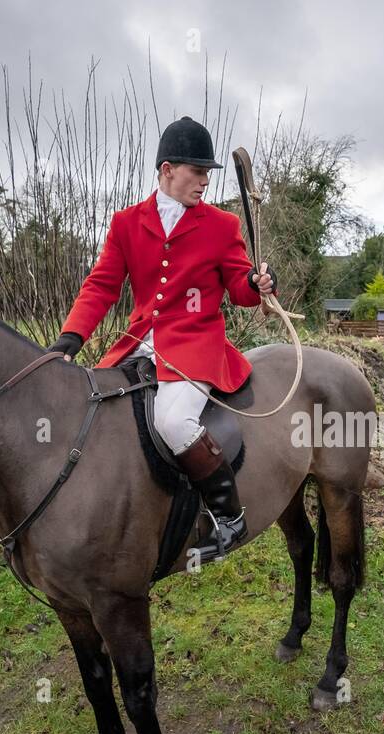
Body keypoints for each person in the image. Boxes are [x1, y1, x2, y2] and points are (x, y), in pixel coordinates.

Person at [46, 115, 276, 561]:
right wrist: (71, 337)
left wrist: (257, 282)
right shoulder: (127, 223)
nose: (206, 181)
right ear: (168, 170)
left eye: (209, 173)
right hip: (138, 346)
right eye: (198, 171)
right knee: (95, 415)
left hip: (196, 347)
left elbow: (240, 290)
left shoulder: (221, 225)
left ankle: (229, 518)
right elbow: (101, 285)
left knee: (173, 422)